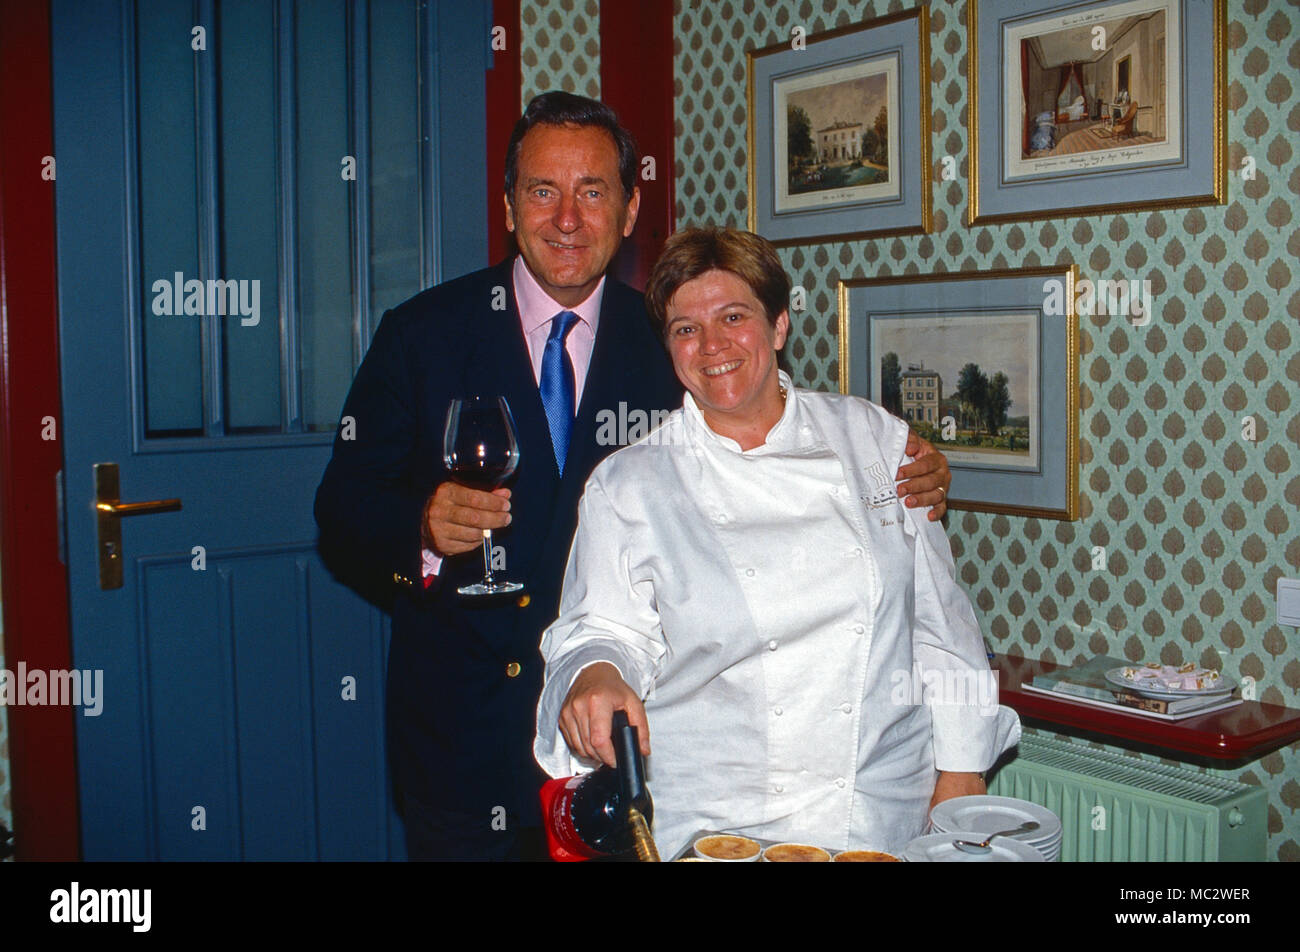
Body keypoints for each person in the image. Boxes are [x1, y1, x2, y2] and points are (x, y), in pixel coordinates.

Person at [315, 93, 953, 861]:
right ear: (509, 207)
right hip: (468, 741)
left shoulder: (674, 338)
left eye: (593, 192)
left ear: (629, 209)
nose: (567, 218)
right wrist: (418, 527)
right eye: (542, 191)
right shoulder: (422, 335)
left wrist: (903, 470)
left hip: (632, 753)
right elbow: (342, 510)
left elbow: (778, 444)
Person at [534, 228, 1020, 858]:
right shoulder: (630, 483)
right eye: (686, 328)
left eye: (733, 317)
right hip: (716, 829)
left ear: (780, 325)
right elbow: (600, 630)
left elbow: (943, 626)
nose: (711, 345)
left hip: (875, 820)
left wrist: (961, 776)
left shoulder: (873, 439)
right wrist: (597, 674)